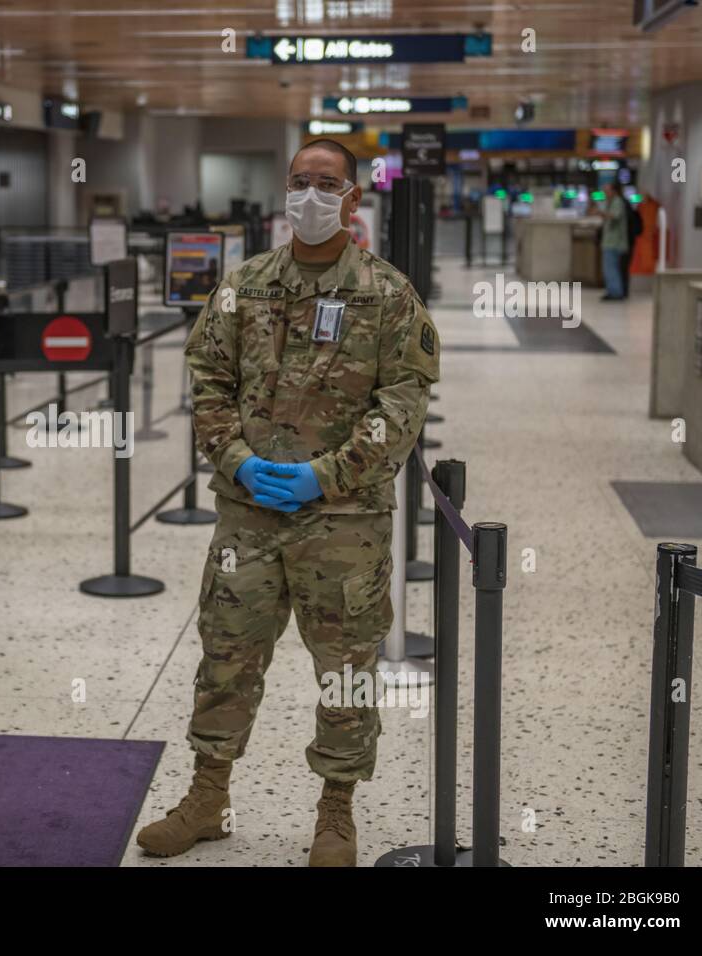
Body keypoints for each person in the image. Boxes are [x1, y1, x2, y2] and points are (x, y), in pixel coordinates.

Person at [136, 139, 440, 866]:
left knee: (343, 668)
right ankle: (208, 796)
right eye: (300, 181)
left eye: (325, 183)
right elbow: (208, 377)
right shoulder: (243, 285)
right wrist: (235, 459)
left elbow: (402, 405)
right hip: (249, 514)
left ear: (352, 199)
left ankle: (336, 811)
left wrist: (326, 474)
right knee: (226, 656)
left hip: (344, 523)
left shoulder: (387, 293)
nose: (309, 194)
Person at [600, 182, 629, 301]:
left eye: (607, 191)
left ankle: (616, 292)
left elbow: (614, 216)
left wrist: (601, 213)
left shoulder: (617, 202)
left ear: (613, 191)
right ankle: (612, 290)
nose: (605, 194)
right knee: (610, 268)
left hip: (614, 242)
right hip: (610, 242)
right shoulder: (611, 202)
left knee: (611, 268)